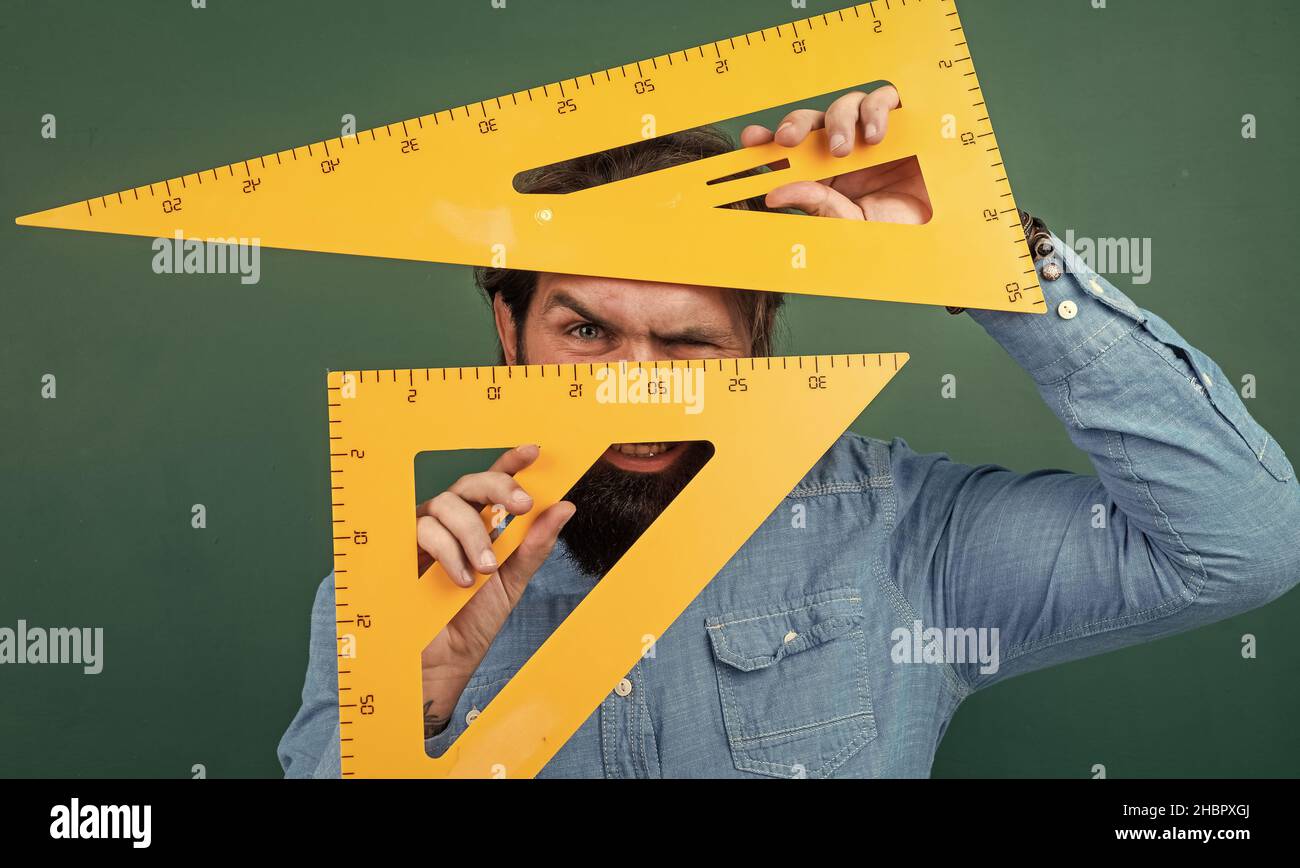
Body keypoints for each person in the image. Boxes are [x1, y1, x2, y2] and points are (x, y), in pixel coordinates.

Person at [279, 86, 1299, 778]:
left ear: (761, 341)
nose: (635, 388)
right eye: (585, 330)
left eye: (688, 343)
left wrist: (990, 259)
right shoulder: (398, 583)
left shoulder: (901, 535)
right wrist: (407, 714)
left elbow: (1243, 544)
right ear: (509, 324)